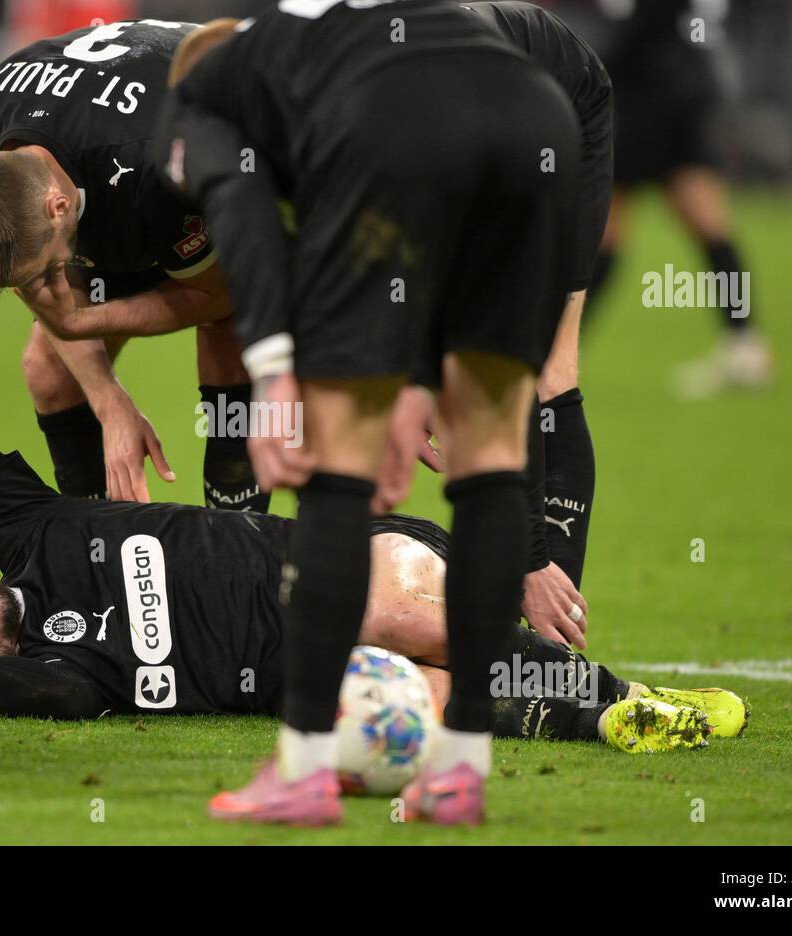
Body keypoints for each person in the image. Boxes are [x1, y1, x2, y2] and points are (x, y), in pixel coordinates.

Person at [152, 0, 594, 826]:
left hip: (394, 125)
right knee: (492, 449)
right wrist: (419, 381)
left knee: (338, 470)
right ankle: (462, 767)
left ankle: (305, 768)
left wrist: (276, 375)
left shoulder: (205, 89)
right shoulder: (313, 44)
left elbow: (243, 215)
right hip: (537, 117)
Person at [0, 401, 745, 751]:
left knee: (400, 615)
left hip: (335, 565)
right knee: (426, 704)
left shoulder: (26, 524)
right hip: (305, 673)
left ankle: (617, 690)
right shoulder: (66, 670)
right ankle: (626, 718)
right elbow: (48, 701)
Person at [0, 20, 269, 512]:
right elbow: (24, 264)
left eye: (47, 274)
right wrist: (109, 400)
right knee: (50, 371)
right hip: (107, 176)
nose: (45, 291)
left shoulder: (155, 166)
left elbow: (216, 294)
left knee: (227, 328)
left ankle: (236, 544)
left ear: (57, 208)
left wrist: (82, 321)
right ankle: (97, 561)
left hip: (227, 158)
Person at [584, 0, 773, 398]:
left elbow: (642, 25)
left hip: (654, 97)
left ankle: (560, 352)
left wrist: (589, 68)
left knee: (608, 223)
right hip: (681, 91)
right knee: (705, 221)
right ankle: (745, 343)